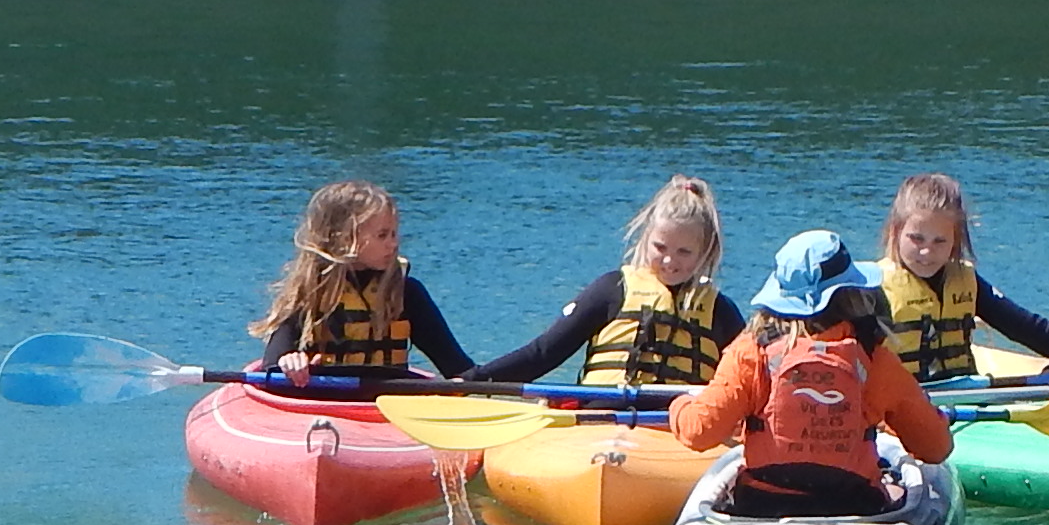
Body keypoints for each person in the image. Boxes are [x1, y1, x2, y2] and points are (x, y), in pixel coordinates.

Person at [666, 231, 958, 520]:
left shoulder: (751, 352)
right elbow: (935, 448)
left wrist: (680, 405)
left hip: (762, 505)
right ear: (853, 294)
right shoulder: (874, 359)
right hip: (854, 505)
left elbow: (698, 432)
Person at [468, 174, 748, 391]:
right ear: (646, 239)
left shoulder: (720, 312)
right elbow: (543, 353)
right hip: (605, 415)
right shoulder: (611, 290)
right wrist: (474, 379)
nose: (668, 260)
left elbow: (750, 378)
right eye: (660, 247)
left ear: (705, 252)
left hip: (680, 426)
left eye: (684, 252)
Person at [867, 171, 1049, 386]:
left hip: (963, 396)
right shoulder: (871, 289)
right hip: (898, 403)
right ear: (895, 232)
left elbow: (1025, 327)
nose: (927, 252)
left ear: (956, 241)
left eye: (940, 241)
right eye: (917, 239)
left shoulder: (965, 281)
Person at [250, 179, 478, 385]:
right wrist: (290, 362)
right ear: (345, 238)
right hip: (324, 399)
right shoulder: (309, 293)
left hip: (386, 404)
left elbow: (460, 372)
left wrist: (486, 374)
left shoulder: (407, 293)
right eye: (382, 235)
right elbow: (273, 366)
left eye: (394, 234)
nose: (393, 244)